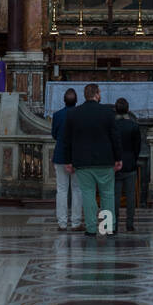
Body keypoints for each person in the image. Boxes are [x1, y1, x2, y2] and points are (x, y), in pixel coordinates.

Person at [63, 82, 122, 237]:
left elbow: (67, 140)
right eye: (99, 93)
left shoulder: (74, 113)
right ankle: (107, 227)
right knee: (107, 194)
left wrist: (68, 160)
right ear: (97, 94)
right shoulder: (107, 112)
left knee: (88, 194)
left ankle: (90, 228)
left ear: (85, 95)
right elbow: (115, 137)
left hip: (83, 161)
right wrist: (118, 158)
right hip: (105, 160)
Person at [51, 88, 83, 232]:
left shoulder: (57, 115)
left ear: (64, 101)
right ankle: (76, 223)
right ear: (76, 101)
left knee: (62, 190)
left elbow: (54, 134)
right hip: (77, 156)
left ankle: (62, 223)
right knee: (77, 189)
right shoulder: (81, 114)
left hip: (61, 156)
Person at [113, 97, 141, 232]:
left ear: (115, 110)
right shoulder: (134, 126)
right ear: (128, 110)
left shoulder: (112, 126)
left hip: (115, 164)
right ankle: (130, 223)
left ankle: (114, 224)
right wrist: (133, 158)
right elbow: (137, 147)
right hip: (130, 163)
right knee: (130, 196)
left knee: (114, 196)